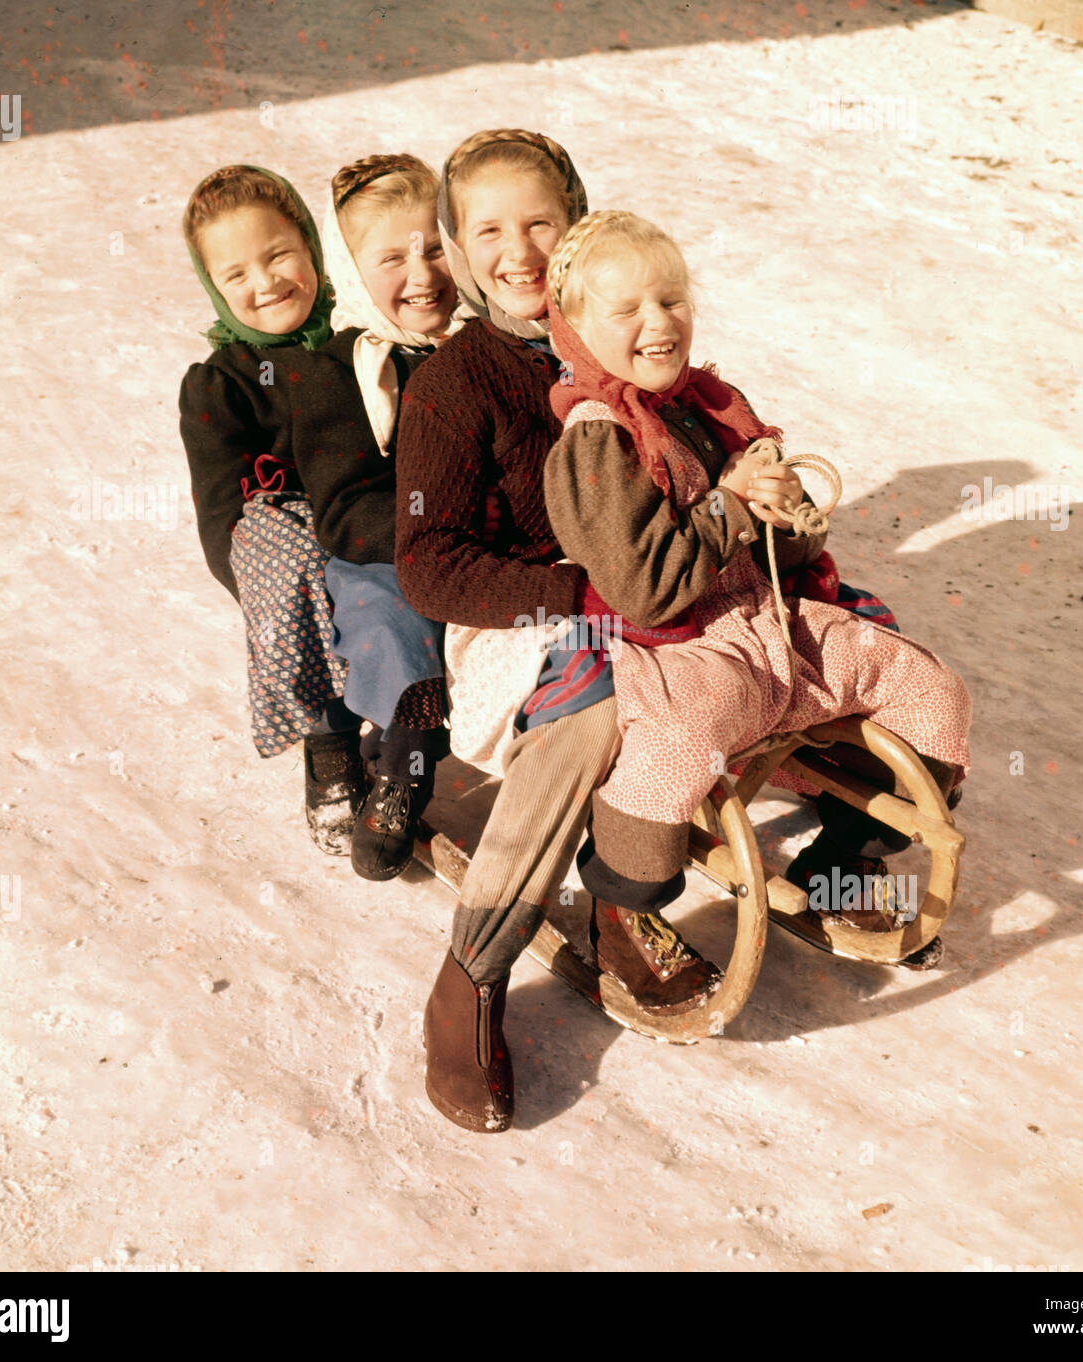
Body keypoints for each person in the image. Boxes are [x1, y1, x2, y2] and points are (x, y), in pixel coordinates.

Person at [540, 210, 973, 1006]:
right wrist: (733, 510)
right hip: (676, 641)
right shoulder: (594, 442)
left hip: (767, 616)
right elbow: (645, 586)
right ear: (572, 327)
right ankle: (621, 911)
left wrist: (787, 514)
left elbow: (791, 554)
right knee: (677, 744)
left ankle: (840, 858)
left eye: (671, 299)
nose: (658, 322)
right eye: (626, 310)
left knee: (926, 688)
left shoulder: (709, 405)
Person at [394, 130, 621, 1134]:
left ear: (578, 225)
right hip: (517, 626)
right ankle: (470, 972)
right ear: (456, 244)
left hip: (641, 594)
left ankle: (633, 887)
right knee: (599, 699)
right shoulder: (455, 384)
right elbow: (426, 564)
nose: (518, 250)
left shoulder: (619, 333)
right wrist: (570, 597)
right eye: (488, 229)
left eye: (540, 222)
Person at [178, 160, 453, 879]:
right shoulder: (220, 383)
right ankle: (328, 743)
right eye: (237, 273)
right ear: (213, 285)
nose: (265, 283)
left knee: (385, 599)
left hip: (374, 523)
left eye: (279, 257)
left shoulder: (362, 341)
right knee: (292, 559)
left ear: (312, 248)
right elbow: (219, 506)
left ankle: (401, 760)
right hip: (287, 556)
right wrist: (260, 580)